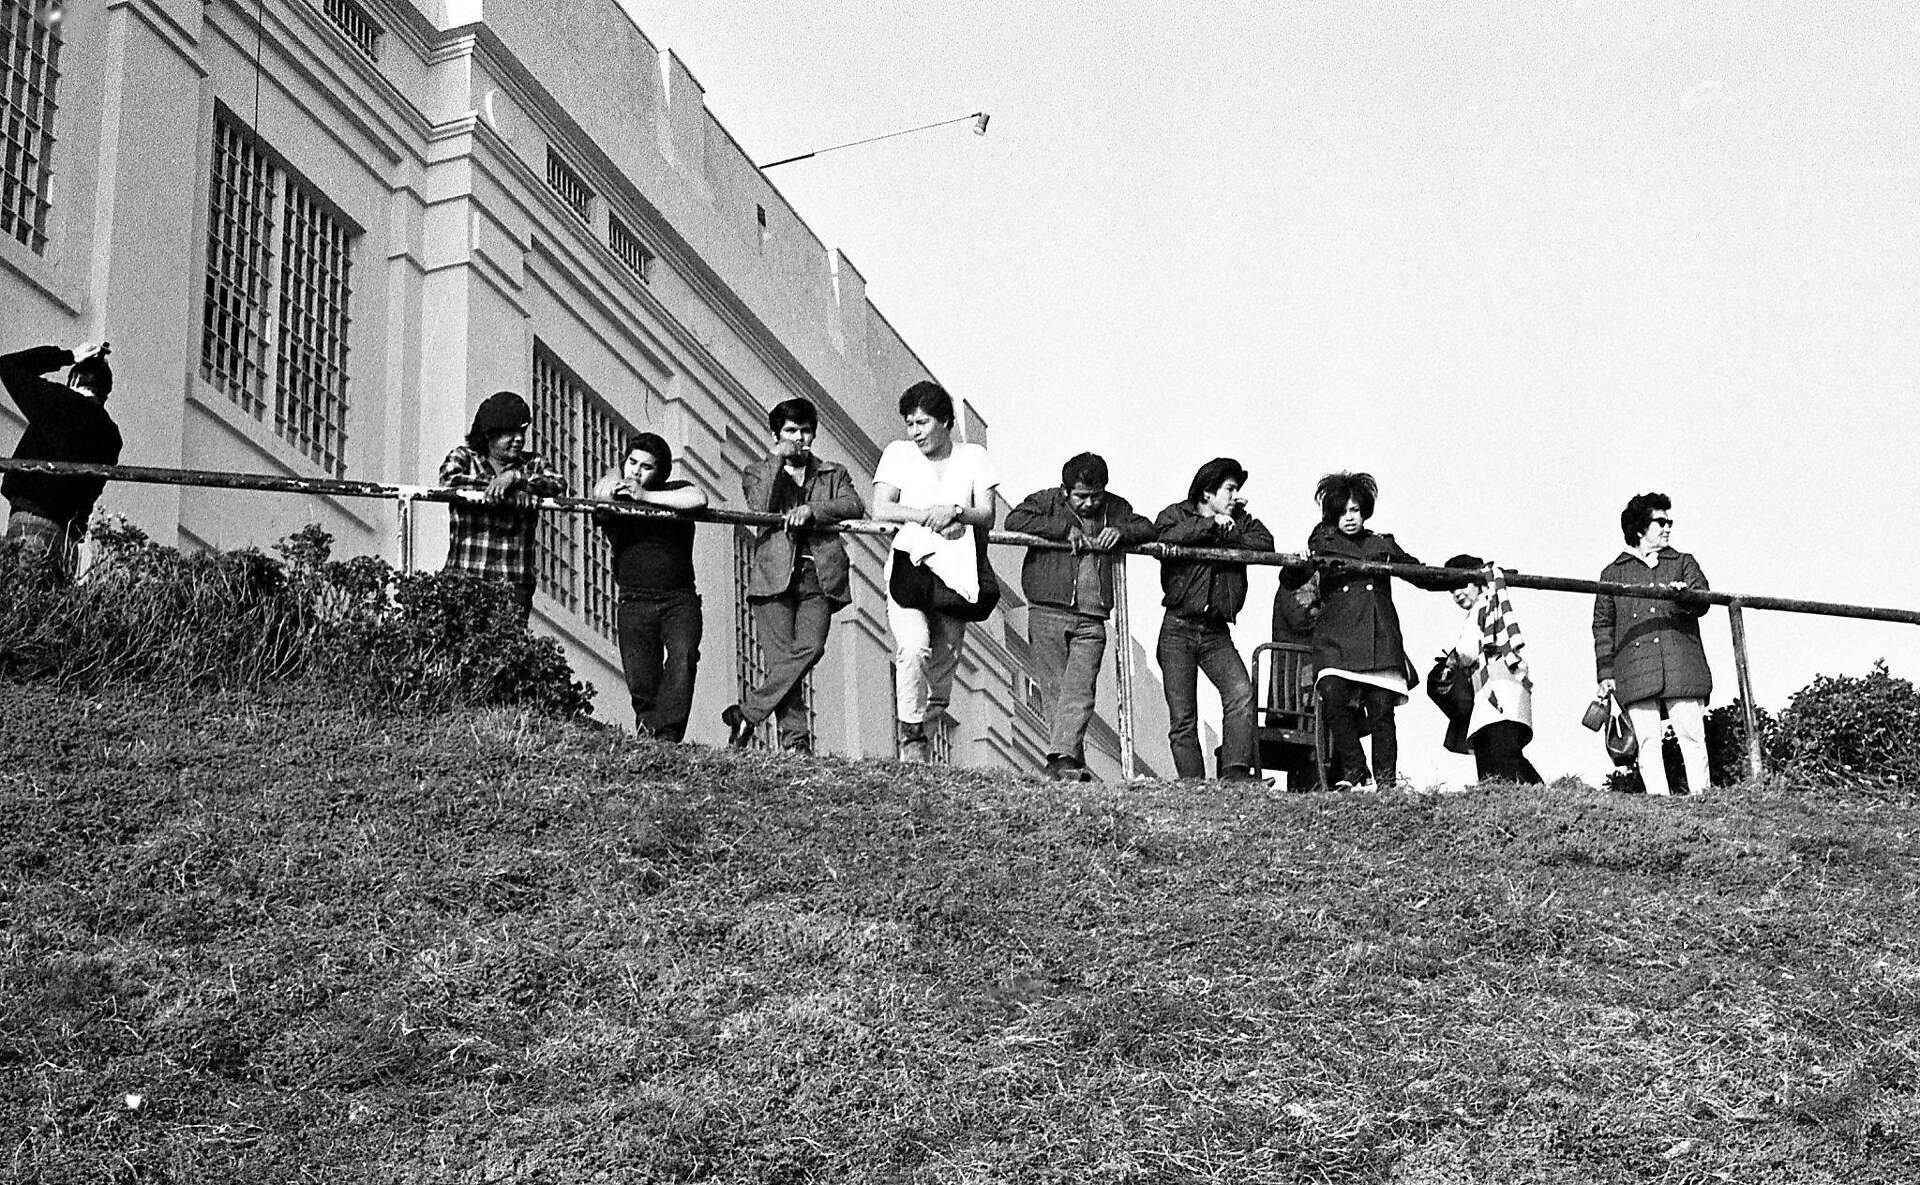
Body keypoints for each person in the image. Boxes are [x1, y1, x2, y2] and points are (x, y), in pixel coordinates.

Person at [1288, 471, 1450, 791]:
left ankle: (1387, 785)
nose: (1350, 518)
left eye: (1355, 510)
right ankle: (1354, 767)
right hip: (1337, 635)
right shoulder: (1322, 542)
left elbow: (1422, 575)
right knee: (1333, 693)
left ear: (1365, 511)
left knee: (1381, 711)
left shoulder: (1381, 544)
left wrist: (1467, 575)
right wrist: (1299, 564)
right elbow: (1291, 582)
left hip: (1378, 636)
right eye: (1343, 511)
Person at [722, 398, 865, 753]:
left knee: (810, 648)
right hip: (773, 578)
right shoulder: (758, 470)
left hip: (819, 576)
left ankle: (748, 713)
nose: (799, 438)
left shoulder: (833, 473)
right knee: (784, 661)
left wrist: (812, 510)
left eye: (804, 431)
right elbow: (761, 506)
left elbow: (854, 505)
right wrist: (777, 459)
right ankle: (796, 742)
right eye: (790, 431)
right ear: (775, 434)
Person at [1005, 452, 1156, 781]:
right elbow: (1014, 520)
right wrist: (1062, 528)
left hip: (1093, 616)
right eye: (1081, 496)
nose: (1089, 503)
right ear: (1064, 491)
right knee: (1056, 691)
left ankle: (1061, 763)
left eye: (1096, 495)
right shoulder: (1047, 502)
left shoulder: (1116, 508)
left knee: (1081, 691)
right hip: (1047, 608)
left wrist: (1121, 531)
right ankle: (1069, 767)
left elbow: (1147, 527)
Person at [872, 380, 999, 764]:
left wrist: (956, 512)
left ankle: (925, 732)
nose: (915, 432)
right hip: (910, 567)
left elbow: (987, 513)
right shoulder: (899, 454)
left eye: (922, 423)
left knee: (944, 663)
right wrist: (928, 515)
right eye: (910, 424)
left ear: (944, 421)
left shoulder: (973, 457)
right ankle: (911, 735)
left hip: (957, 573)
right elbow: (881, 507)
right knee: (913, 647)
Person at [1152, 457, 1274, 782]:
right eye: (1229, 489)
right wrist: (1210, 526)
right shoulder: (1176, 514)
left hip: (1215, 632)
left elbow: (1265, 544)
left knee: (1240, 693)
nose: (1235, 496)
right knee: (1183, 716)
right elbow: (1163, 534)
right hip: (1178, 628)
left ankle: (1234, 774)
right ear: (1207, 492)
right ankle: (1193, 786)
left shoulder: (1239, 521)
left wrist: (1232, 526)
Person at [1592, 492, 1712, 796]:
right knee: (1646, 742)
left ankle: (1704, 798)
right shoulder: (1612, 573)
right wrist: (1606, 674)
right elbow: (1603, 625)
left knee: (1692, 735)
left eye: (1670, 521)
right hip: (1633, 667)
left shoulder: (1684, 562)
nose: (1668, 527)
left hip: (1680, 662)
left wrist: (1685, 596)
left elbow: (1703, 599)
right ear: (1639, 527)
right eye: (1661, 521)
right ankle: (1659, 802)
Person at [594, 433, 709, 743]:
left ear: (661, 472)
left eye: (646, 466)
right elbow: (599, 495)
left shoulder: (673, 492)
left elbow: (699, 498)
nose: (636, 471)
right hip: (633, 600)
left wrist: (645, 497)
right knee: (641, 677)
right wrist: (619, 476)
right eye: (632, 462)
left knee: (683, 657)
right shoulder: (615, 495)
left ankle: (668, 736)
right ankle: (648, 735)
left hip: (678, 600)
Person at [439, 390, 566, 625]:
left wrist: (516, 478)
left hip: (514, 582)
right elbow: (449, 480)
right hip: (466, 577)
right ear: (489, 434)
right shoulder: (465, 458)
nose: (518, 438)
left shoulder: (532, 464)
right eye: (510, 432)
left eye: (522, 432)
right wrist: (499, 488)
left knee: (504, 657)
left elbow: (557, 483)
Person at [1, 340, 122, 582]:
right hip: (68, 540)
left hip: (30, 523)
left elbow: (7, 365)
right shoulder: (111, 435)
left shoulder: (57, 401)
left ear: (74, 381)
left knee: (17, 606)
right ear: (104, 394)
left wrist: (67, 356)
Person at [1431, 555, 1542, 785]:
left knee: (1495, 754)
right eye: (1451, 591)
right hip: (1510, 688)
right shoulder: (1493, 605)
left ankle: (1531, 790)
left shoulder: (1481, 608)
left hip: (1495, 692)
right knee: (1507, 753)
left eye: (1461, 585)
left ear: (1476, 582)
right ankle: (1534, 791)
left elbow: (1467, 651)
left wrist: (1451, 662)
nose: (1457, 594)